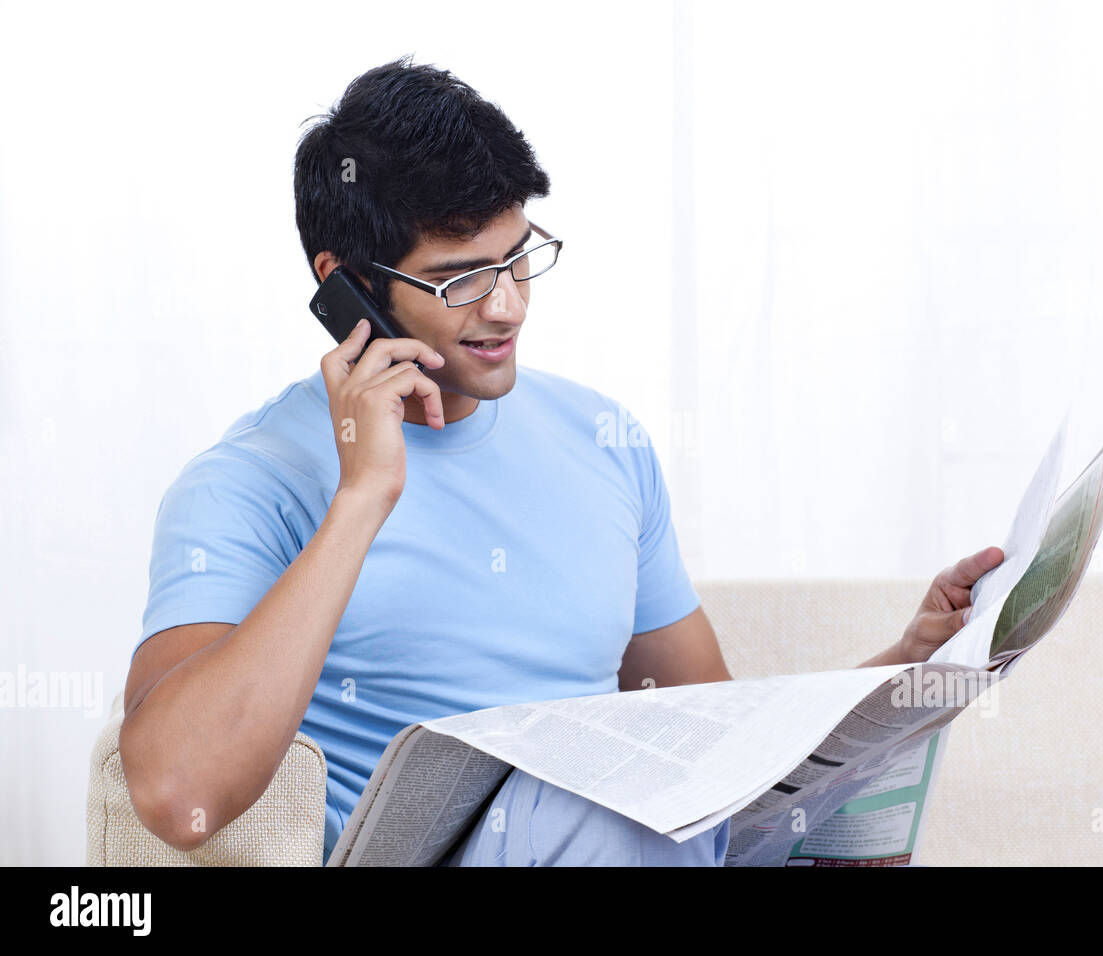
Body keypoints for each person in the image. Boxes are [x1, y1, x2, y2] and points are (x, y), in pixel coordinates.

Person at [118, 57, 1004, 867]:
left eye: (519, 258)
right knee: (578, 804)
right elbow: (178, 797)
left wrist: (903, 664)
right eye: (460, 277)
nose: (507, 306)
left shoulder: (602, 441)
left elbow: (716, 751)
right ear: (346, 282)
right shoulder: (246, 483)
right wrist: (362, 498)